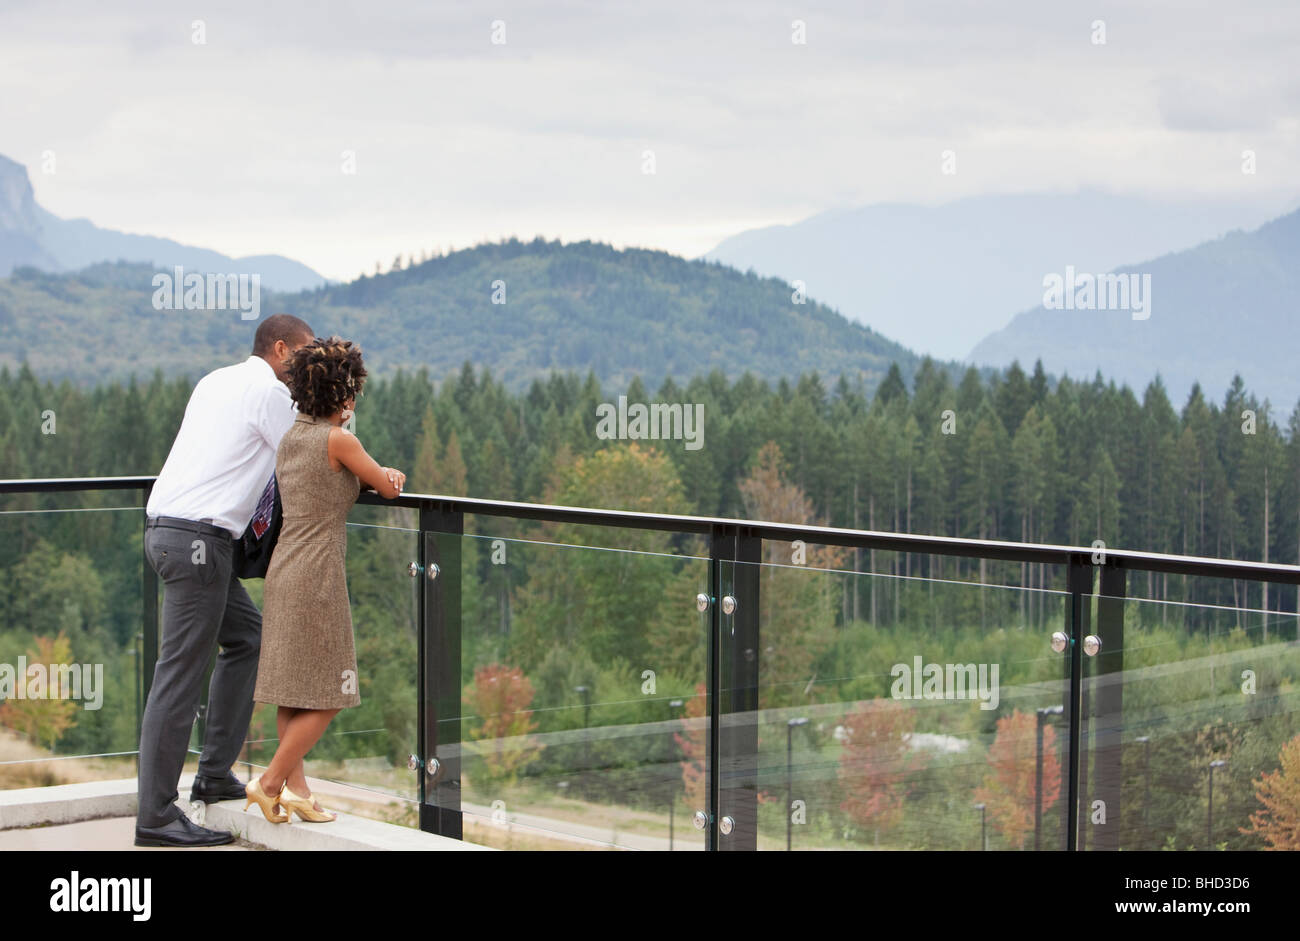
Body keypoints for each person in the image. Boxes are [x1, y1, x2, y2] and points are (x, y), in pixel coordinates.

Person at [136, 313, 314, 847]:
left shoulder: (215, 379)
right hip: (199, 545)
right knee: (179, 678)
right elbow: (312, 455)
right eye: (304, 356)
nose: (305, 369)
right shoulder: (269, 394)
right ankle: (157, 817)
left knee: (247, 638)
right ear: (280, 350)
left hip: (169, 533)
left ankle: (215, 774)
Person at [243, 336, 405, 824]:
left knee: (293, 687)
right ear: (342, 396)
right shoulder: (340, 440)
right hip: (318, 576)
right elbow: (387, 487)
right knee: (334, 689)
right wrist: (391, 475)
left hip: (285, 568)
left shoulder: (293, 435)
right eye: (351, 391)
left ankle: (296, 791)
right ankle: (270, 782)